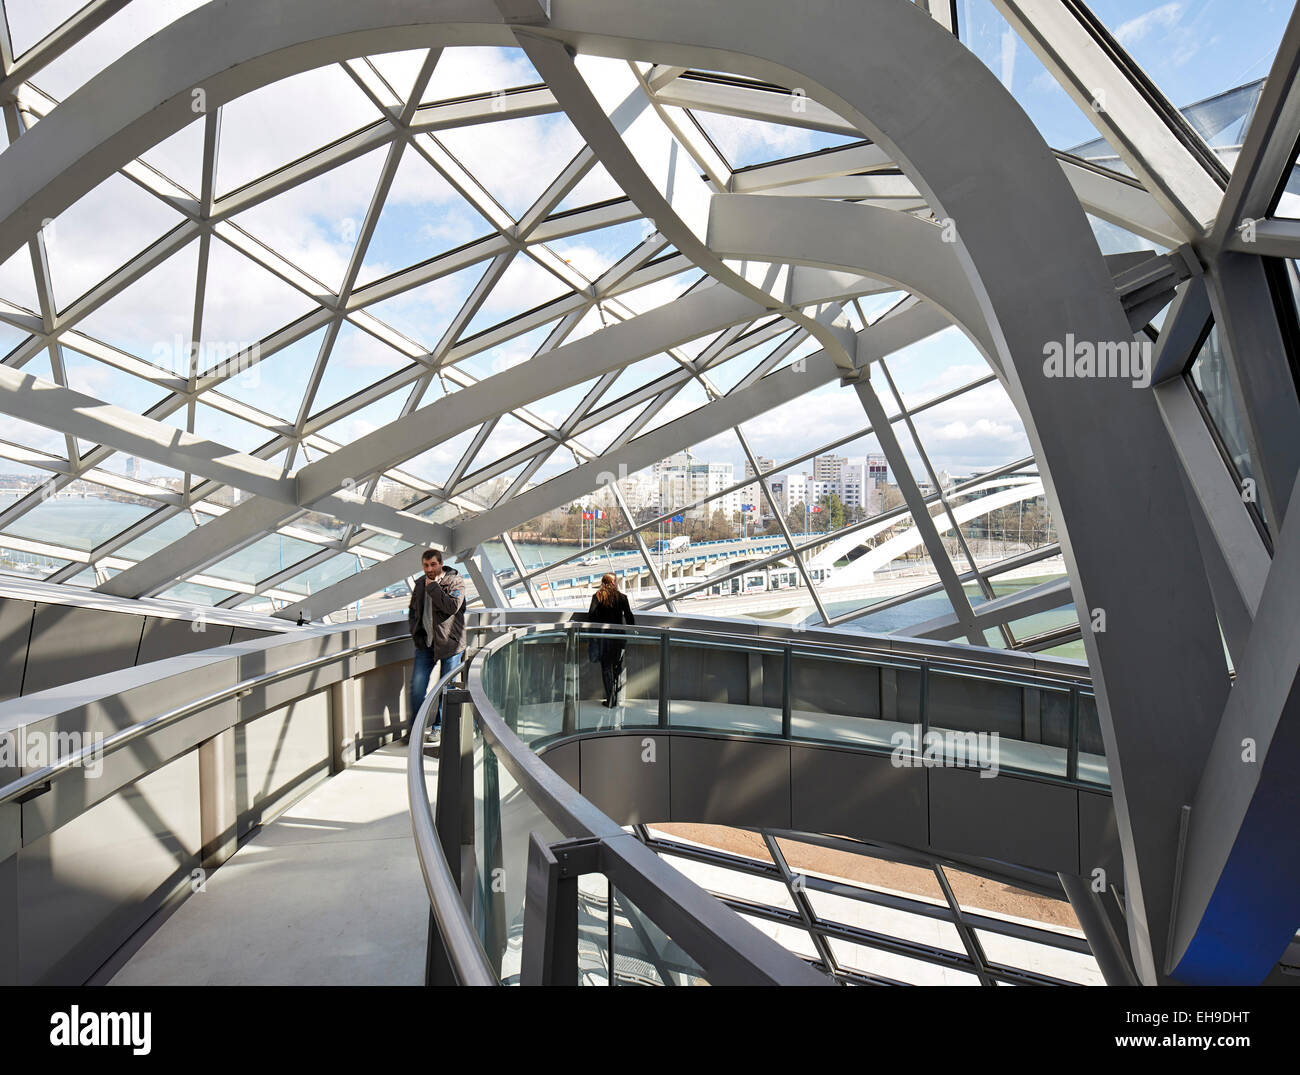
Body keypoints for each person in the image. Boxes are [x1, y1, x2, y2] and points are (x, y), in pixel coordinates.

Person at [406, 548, 466, 744]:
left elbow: (451, 607)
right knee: (417, 688)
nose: (429, 569)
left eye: (433, 564)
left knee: (446, 688)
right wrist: (416, 634)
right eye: (425, 565)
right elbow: (413, 612)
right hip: (426, 643)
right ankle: (415, 729)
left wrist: (433, 587)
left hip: (450, 644)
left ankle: (438, 728)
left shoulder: (455, 581)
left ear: (441, 564)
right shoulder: (419, 585)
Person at [585, 573, 635, 708]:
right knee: (617, 667)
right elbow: (629, 616)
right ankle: (617, 698)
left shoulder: (597, 597)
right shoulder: (622, 598)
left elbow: (591, 617)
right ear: (613, 583)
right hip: (619, 637)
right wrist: (633, 630)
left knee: (606, 668)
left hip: (604, 638)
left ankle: (610, 699)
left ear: (603, 582)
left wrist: (594, 635)